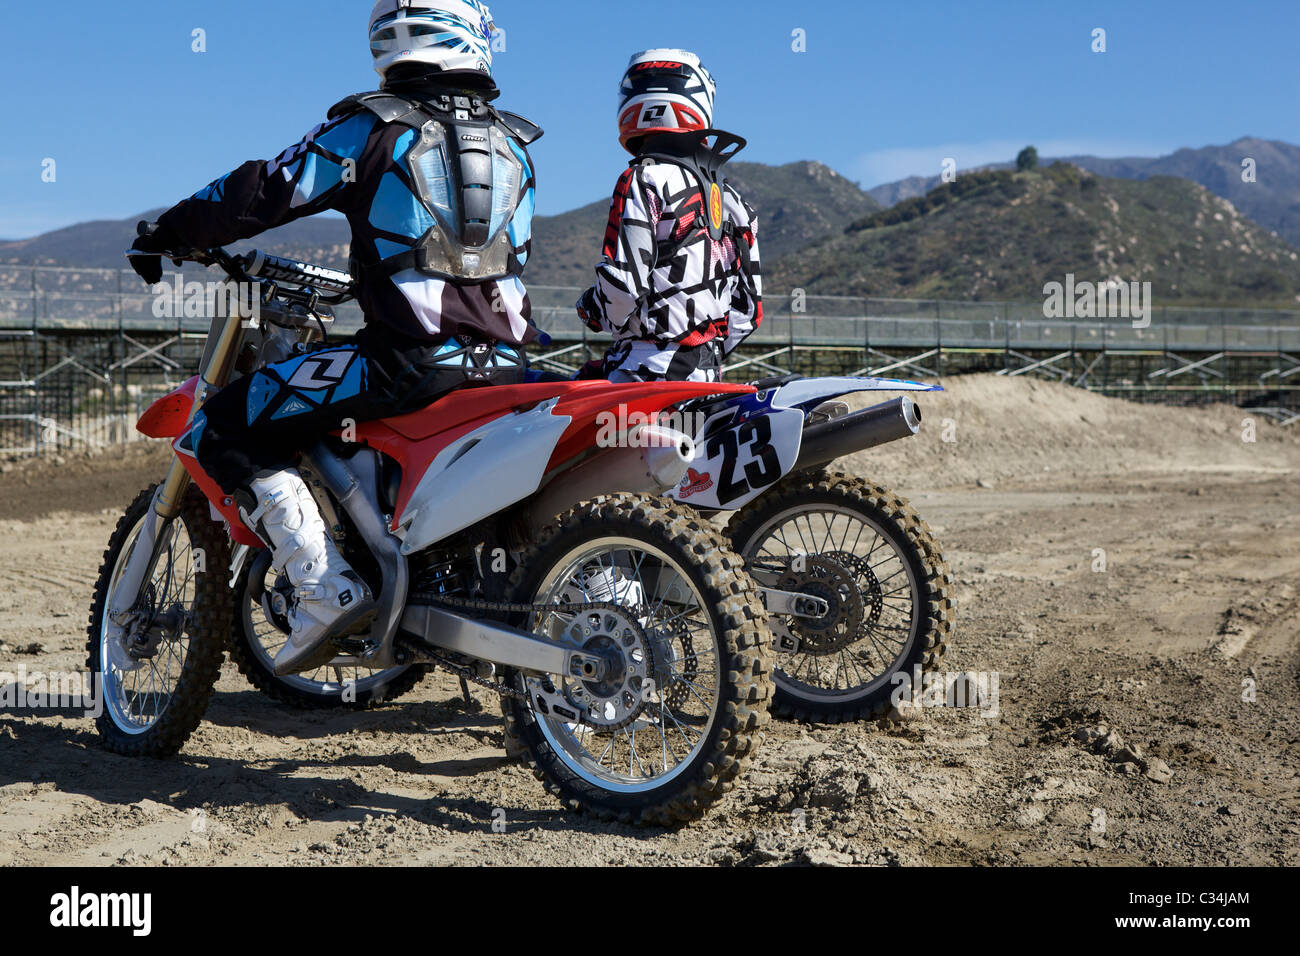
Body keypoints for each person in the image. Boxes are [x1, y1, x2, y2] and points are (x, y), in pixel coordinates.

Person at [125, 0, 541, 675]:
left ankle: (323, 588)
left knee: (226, 425)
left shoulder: (374, 127)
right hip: (508, 365)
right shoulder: (515, 141)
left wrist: (172, 230)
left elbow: (266, 190)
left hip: (407, 363)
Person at [575, 49, 763, 384]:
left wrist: (591, 309)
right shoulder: (734, 202)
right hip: (708, 373)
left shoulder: (641, 179)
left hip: (643, 371)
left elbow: (623, 286)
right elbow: (749, 312)